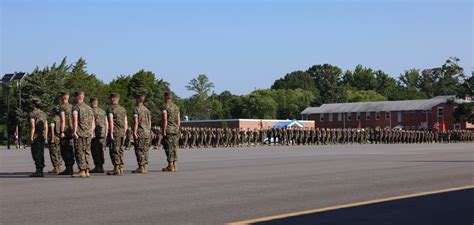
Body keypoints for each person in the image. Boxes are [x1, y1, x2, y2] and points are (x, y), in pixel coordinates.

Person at [71, 91, 95, 178]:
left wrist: (74, 131)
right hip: (88, 133)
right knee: (87, 151)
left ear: (77, 97)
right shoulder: (89, 108)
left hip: (80, 133)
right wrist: (92, 131)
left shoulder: (76, 107)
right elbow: (93, 121)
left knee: (79, 151)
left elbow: (75, 120)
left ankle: (82, 170)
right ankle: (87, 170)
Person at [106, 93, 128, 176]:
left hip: (115, 132)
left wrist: (110, 132)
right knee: (120, 150)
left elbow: (111, 121)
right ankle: (121, 167)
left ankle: (116, 168)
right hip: (122, 132)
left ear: (112, 99)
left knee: (114, 150)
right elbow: (126, 122)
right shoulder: (123, 109)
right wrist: (125, 131)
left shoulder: (111, 109)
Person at [131, 94, 151, 174]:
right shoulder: (147, 110)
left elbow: (136, 122)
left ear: (138, 99)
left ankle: (141, 167)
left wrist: (135, 132)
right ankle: (145, 166)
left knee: (139, 150)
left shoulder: (136, 109)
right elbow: (149, 122)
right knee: (145, 150)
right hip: (147, 132)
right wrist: (149, 131)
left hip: (140, 132)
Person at [29, 99, 48, 177]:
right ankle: (41, 170)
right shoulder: (43, 114)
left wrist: (31, 137)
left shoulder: (32, 114)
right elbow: (46, 126)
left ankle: (38, 171)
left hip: (36, 136)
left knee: (36, 153)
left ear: (34, 105)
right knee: (41, 152)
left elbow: (33, 126)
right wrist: (46, 136)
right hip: (42, 136)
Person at [161, 92, 180, 172]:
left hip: (169, 129)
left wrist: (164, 129)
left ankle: (170, 165)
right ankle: (175, 165)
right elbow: (178, 120)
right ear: (171, 98)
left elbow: (165, 119)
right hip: (175, 130)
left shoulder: (165, 106)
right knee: (174, 147)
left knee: (168, 147)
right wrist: (177, 128)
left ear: (166, 97)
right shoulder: (176, 107)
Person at [58, 91, 75, 175]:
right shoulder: (73, 107)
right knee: (70, 149)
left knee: (64, 150)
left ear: (63, 97)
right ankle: (70, 167)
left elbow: (62, 120)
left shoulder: (62, 107)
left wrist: (61, 131)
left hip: (65, 131)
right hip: (72, 130)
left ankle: (68, 168)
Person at [90, 98, 107, 173]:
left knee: (95, 150)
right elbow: (106, 122)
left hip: (95, 132)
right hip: (102, 132)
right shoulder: (103, 111)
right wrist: (106, 131)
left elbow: (91, 122)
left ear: (92, 103)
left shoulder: (91, 111)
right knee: (100, 149)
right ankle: (101, 166)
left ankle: (97, 166)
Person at [47, 107, 62, 174]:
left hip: (54, 137)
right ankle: (59, 167)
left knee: (53, 153)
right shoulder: (60, 119)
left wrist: (52, 138)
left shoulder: (53, 119)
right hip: (59, 137)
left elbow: (52, 129)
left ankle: (56, 168)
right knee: (58, 152)